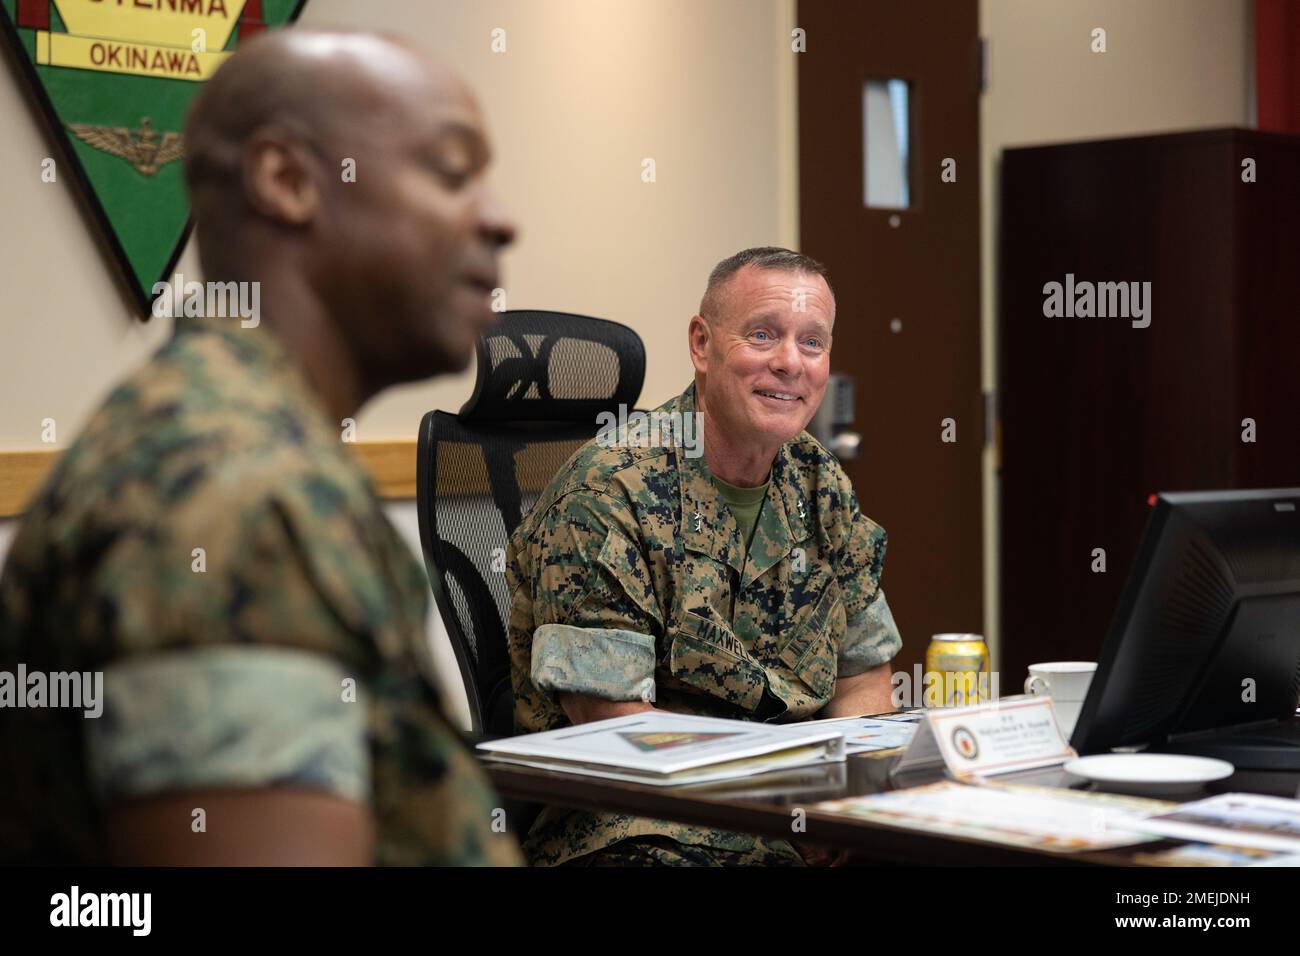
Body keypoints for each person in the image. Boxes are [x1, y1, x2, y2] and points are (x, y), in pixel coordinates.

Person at [0, 27, 520, 865]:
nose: (501, 218)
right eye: (452, 171)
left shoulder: (242, 446)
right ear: (287, 181)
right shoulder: (238, 497)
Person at [507, 246, 902, 866]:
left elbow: (864, 675)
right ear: (701, 343)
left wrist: (849, 802)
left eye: (812, 343)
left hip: (794, 809)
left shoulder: (821, 485)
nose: (788, 363)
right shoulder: (611, 491)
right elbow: (612, 721)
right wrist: (781, 809)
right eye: (762, 335)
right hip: (645, 821)